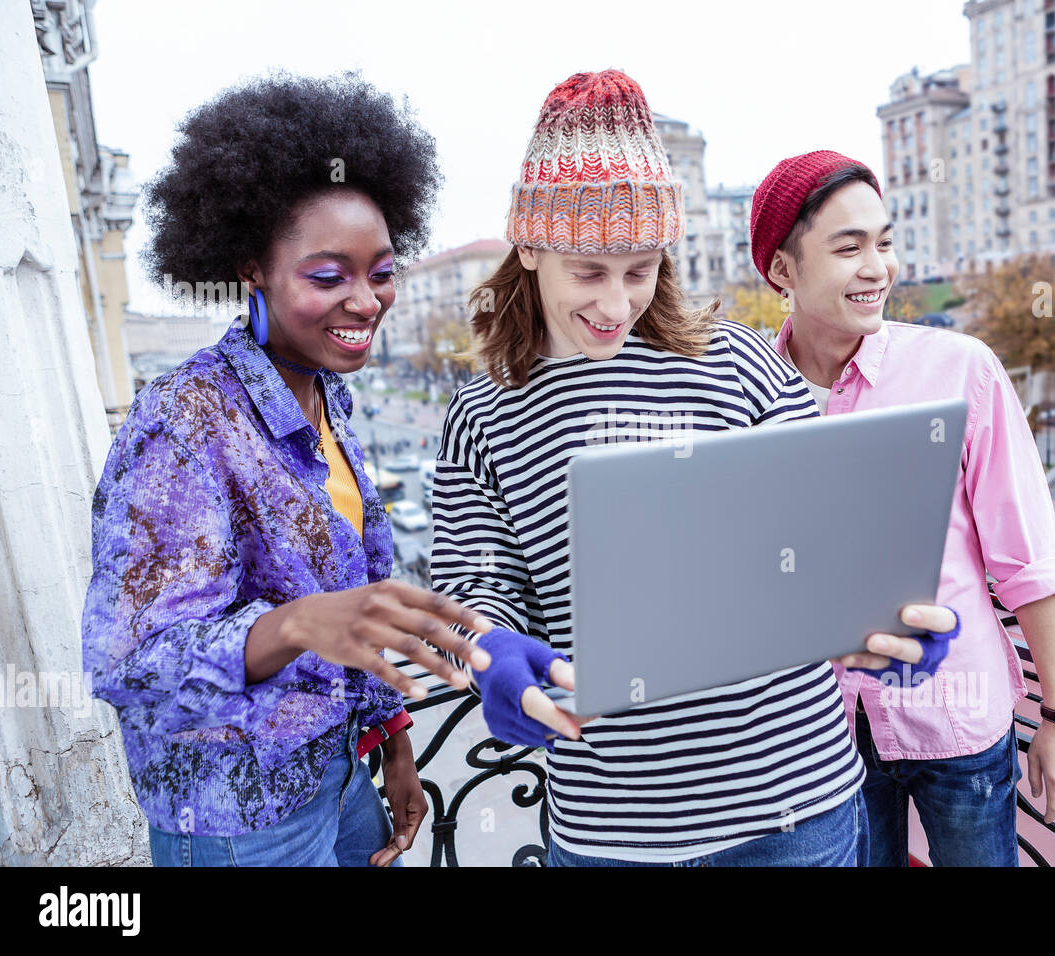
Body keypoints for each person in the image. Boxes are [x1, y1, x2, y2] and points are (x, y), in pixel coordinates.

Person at [428, 70, 959, 867]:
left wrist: (874, 620)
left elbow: (823, 544)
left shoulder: (739, 363)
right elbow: (477, 588)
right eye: (590, 272)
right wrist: (489, 651)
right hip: (614, 834)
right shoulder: (482, 414)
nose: (617, 304)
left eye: (640, 270)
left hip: (796, 811)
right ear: (530, 245)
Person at [81, 73, 493, 867]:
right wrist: (296, 623)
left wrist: (393, 742)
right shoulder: (184, 417)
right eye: (328, 276)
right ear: (252, 270)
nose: (368, 301)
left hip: (338, 783)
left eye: (380, 271)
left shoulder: (329, 400)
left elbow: (361, 607)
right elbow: (129, 663)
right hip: (241, 823)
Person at [749, 151, 1055, 866]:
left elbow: (1027, 556)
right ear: (781, 270)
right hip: (818, 741)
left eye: (884, 241)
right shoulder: (745, 393)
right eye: (848, 248)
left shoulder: (959, 369)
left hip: (958, 728)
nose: (878, 266)